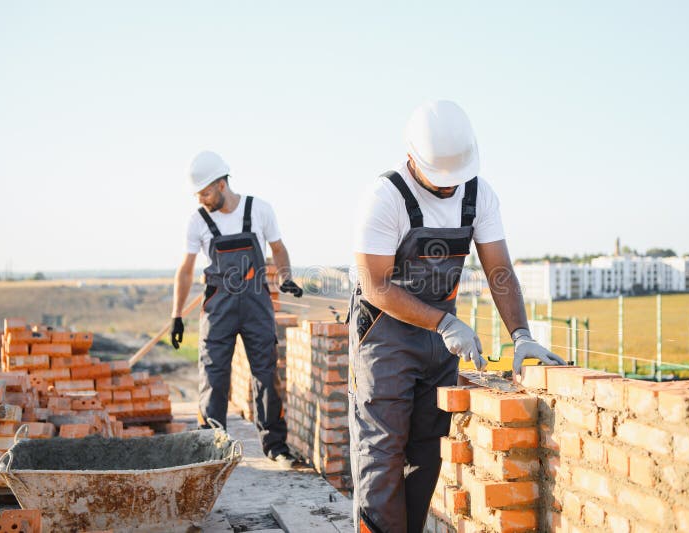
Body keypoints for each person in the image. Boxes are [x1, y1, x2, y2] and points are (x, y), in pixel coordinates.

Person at [349, 100, 566, 533]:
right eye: (440, 178)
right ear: (412, 157)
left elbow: (499, 270)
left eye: (457, 177)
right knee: (381, 454)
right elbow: (375, 284)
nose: (450, 188)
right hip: (385, 336)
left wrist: (521, 333)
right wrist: (444, 322)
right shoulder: (386, 196)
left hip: (439, 342)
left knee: (426, 453)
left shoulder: (478, 192)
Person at [170, 150, 303, 469]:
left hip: (257, 305)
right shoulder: (197, 221)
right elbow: (186, 270)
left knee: (266, 375)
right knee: (214, 376)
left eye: (205, 192)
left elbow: (278, 249)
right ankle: (212, 447)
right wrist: (176, 315)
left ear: (221, 184)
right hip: (218, 309)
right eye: (198, 194)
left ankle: (275, 445)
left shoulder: (259, 210)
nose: (201, 199)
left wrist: (285, 278)